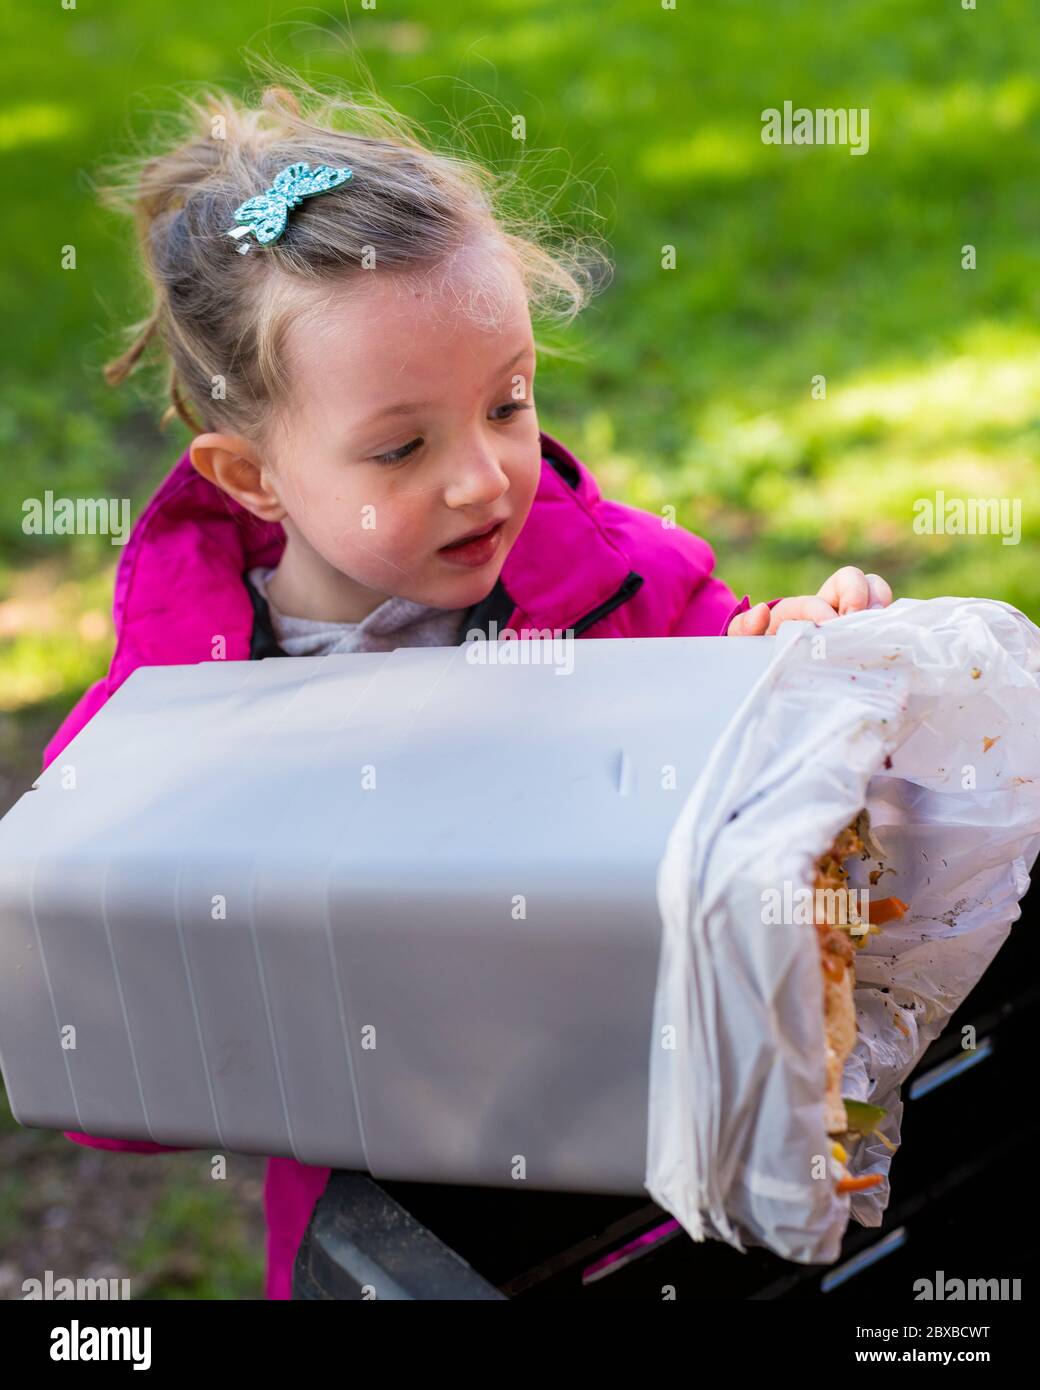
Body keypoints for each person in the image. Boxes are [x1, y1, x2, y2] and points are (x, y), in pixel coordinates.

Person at [40, 74, 894, 1300]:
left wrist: (787, 650)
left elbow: (716, 691)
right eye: (402, 446)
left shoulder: (611, 581)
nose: (486, 477)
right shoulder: (171, 730)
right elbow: (109, 1050)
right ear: (251, 475)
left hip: (657, 1180)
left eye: (506, 401)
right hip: (405, 1239)